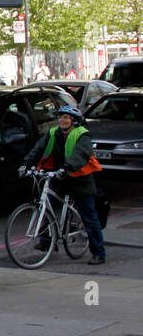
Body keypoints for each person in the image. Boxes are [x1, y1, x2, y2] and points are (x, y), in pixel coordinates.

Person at [19, 105, 107, 264]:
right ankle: (47, 242)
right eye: (60, 117)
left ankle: (98, 252)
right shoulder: (53, 133)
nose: (62, 120)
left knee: (89, 217)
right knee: (46, 205)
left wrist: (67, 167)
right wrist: (26, 164)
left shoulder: (82, 135)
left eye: (66, 117)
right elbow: (38, 149)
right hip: (59, 177)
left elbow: (82, 153)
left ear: (74, 121)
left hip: (80, 179)